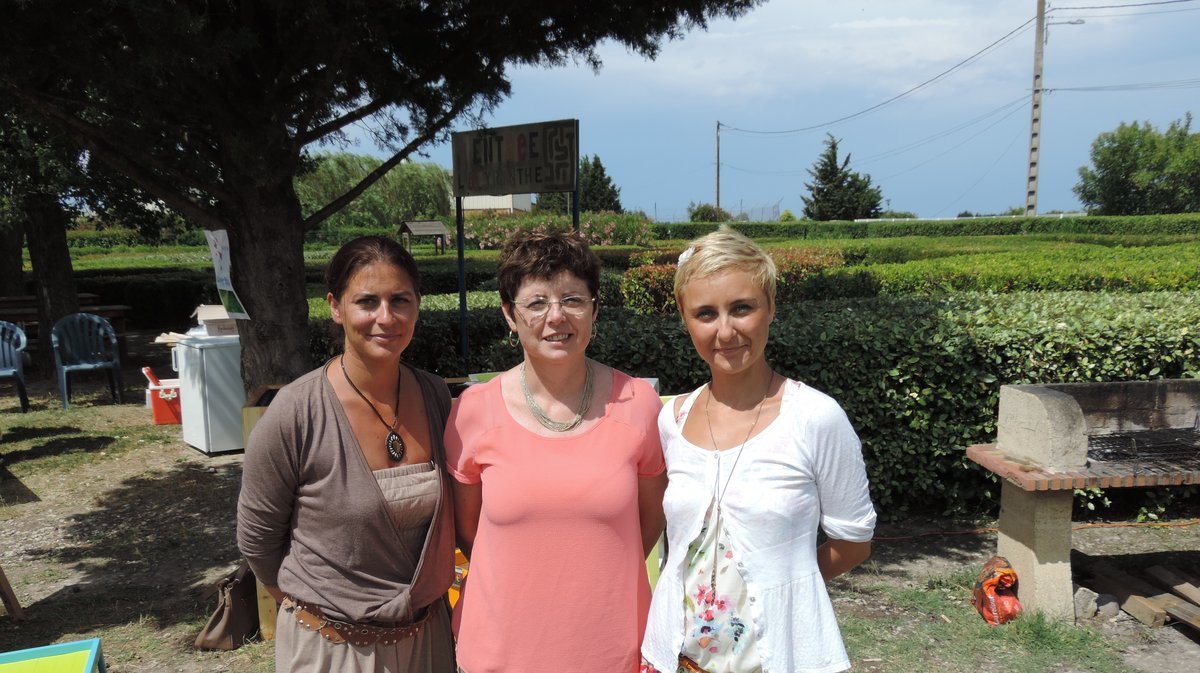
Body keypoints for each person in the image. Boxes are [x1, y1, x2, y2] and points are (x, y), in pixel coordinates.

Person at [641, 227, 877, 673]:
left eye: (742, 308)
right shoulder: (670, 421)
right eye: (706, 313)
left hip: (780, 656)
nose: (726, 331)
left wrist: (783, 583)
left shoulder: (815, 417)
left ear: (770, 306)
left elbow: (853, 544)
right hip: (673, 656)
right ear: (685, 317)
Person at [445, 230, 667, 673]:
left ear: (594, 309)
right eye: (537, 302)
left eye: (572, 300)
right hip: (500, 652)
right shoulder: (472, 412)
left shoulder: (639, 405)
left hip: (611, 650)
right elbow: (470, 533)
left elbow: (648, 523)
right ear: (510, 314)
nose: (556, 317)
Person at [237, 235, 456, 673]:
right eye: (367, 301)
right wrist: (320, 607)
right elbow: (258, 541)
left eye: (400, 300)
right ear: (335, 307)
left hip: (427, 643)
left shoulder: (436, 397)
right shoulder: (297, 412)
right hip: (332, 650)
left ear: (418, 305)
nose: (385, 317)